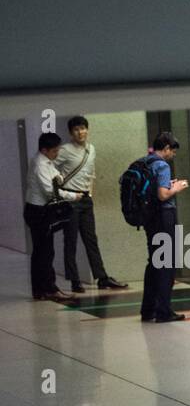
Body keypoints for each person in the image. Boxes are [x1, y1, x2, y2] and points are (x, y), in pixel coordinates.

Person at [56, 116, 128, 292]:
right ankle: (74, 281)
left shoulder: (91, 149)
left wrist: (90, 191)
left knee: (91, 239)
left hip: (86, 200)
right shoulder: (64, 150)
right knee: (71, 241)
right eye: (76, 129)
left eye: (83, 128)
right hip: (70, 200)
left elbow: (91, 172)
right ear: (71, 133)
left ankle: (102, 277)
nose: (81, 132)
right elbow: (50, 168)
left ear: (87, 130)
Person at [23, 132, 82, 302]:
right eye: (54, 151)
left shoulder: (44, 161)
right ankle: (48, 289)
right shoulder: (40, 165)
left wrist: (59, 177)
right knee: (45, 252)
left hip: (38, 211)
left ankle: (42, 290)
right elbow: (50, 191)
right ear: (44, 150)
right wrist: (73, 196)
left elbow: (56, 176)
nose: (57, 154)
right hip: (38, 212)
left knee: (42, 252)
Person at [139, 132, 190, 323]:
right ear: (167, 148)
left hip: (149, 217)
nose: (173, 155)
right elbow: (162, 195)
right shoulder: (162, 165)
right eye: (173, 151)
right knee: (167, 264)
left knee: (154, 262)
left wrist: (168, 185)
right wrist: (176, 188)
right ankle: (164, 311)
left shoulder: (145, 162)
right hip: (164, 216)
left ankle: (148, 310)